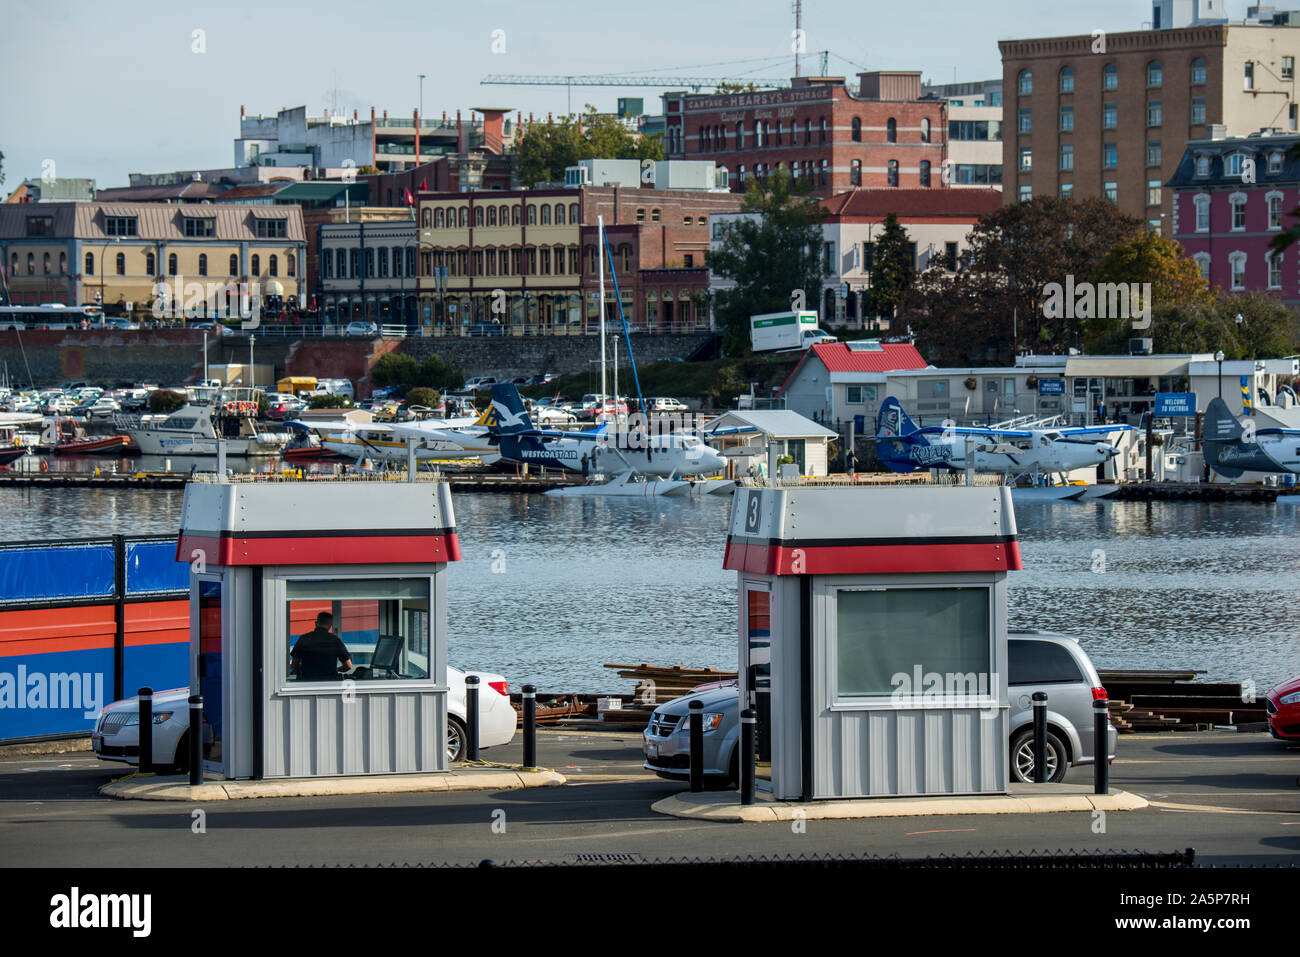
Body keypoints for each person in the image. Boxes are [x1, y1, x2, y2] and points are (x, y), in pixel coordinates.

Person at [289, 612, 353, 681]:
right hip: (329, 683)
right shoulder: (335, 640)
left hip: (307, 682)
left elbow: (294, 665)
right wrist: (335, 670)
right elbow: (348, 666)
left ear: (316, 623)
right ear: (330, 625)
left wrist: (302, 670)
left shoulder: (304, 638)